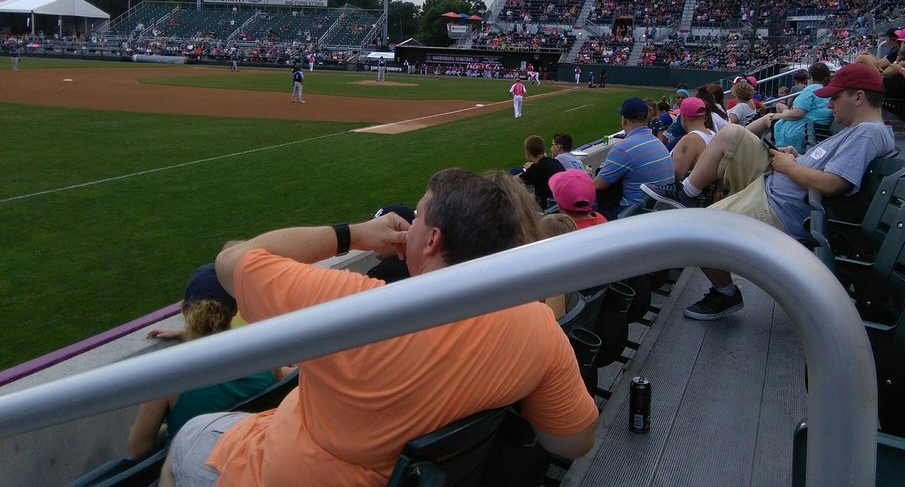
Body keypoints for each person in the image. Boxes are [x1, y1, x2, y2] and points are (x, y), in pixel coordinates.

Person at [163, 169, 598, 487]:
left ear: (432, 241)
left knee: (187, 439)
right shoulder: (537, 323)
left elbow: (231, 263)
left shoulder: (357, 309)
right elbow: (573, 441)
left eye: (420, 215)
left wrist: (351, 234)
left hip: (282, 470)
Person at [661, 63, 894, 321]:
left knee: (695, 229)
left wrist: (790, 167)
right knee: (730, 134)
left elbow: (831, 184)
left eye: (835, 98)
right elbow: (829, 169)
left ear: (859, 97)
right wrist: (797, 158)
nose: (830, 105)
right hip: (779, 184)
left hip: (780, 205)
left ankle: (725, 294)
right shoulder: (864, 131)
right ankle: (687, 192)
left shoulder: (868, 134)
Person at [128, 265, 286, 460]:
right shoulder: (265, 358)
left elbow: (138, 448)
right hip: (253, 466)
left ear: (184, 310)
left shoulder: (165, 374)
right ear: (235, 309)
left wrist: (165, 431)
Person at [593, 96, 674, 219]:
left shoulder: (623, 148)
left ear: (624, 120)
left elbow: (598, 185)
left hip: (632, 214)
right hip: (656, 211)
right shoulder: (658, 143)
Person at [760, 63, 833, 154]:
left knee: (769, 117)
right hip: (815, 129)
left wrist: (781, 115)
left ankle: (742, 135)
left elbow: (798, 113)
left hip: (801, 131)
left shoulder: (811, 89)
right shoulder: (827, 90)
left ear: (810, 77)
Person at [365, 203, 417, 284]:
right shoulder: (424, 264)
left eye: (379, 231)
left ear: (400, 234)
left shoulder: (381, 274)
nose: (373, 237)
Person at [666, 97, 716, 181]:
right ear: (704, 117)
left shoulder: (690, 140)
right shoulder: (713, 134)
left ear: (684, 118)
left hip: (687, 192)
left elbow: (676, 175)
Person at [519, 135, 566, 208]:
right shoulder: (555, 162)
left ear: (527, 152)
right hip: (562, 203)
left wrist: (526, 170)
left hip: (551, 209)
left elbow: (514, 181)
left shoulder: (537, 168)